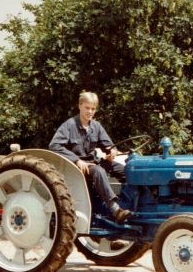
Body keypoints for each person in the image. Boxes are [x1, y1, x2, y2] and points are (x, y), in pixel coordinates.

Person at [48, 92, 132, 222]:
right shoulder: (69, 125)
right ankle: (115, 209)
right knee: (99, 171)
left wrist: (113, 151)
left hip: (94, 162)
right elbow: (54, 145)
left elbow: (109, 145)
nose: (90, 111)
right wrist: (76, 160)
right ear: (80, 106)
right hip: (77, 167)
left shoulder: (96, 126)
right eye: (87, 108)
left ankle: (129, 203)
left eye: (93, 109)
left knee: (128, 171)